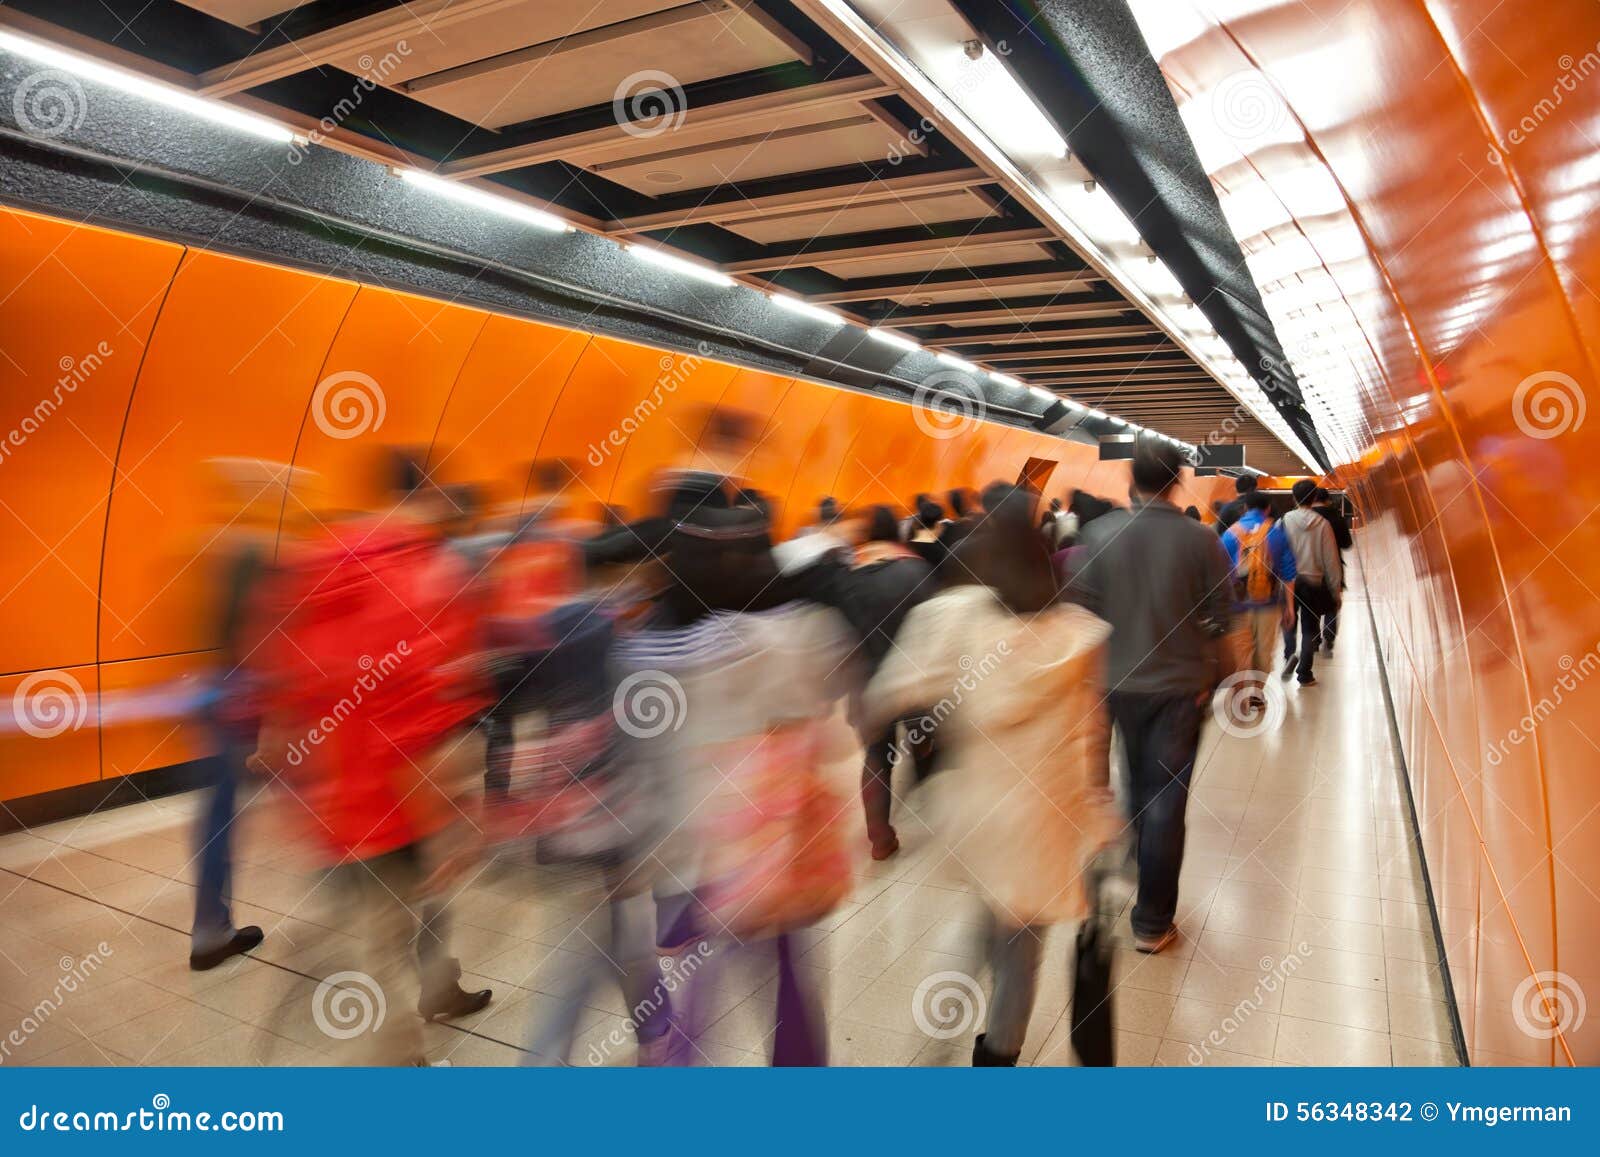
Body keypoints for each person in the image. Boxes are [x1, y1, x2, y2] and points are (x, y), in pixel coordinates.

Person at [251, 454, 493, 1064]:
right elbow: (411, 721)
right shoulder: (417, 576)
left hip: (335, 797)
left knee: (384, 925)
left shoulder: (315, 561)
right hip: (396, 803)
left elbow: (284, 684)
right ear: (429, 494)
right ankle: (401, 1059)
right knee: (390, 931)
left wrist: (294, 769)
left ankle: (434, 992)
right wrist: (446, 818)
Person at [866, 485, 1119, 1064]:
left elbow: (888, 692)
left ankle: (936, 1033)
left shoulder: (959, 622)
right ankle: (996, 1058)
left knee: (989, 920)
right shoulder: (1077, 635)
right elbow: (1093, 732)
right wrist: (1099, 813)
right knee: (1021, 951)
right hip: (1045, 817)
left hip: (981, 814)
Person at [1070, 440, 1234, 955]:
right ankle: (1152, 922)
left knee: (1134, 776)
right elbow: (1222, 617)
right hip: (1179, 687)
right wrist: (1220, 675)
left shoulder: (1098, 535)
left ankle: (1136, 859)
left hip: (1116, 684)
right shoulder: (1202, 540)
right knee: (1166, 796)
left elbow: (1079, 615)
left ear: (1131, 480)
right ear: (1177, 481)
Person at [189, 458, 283, 971]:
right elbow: (258, 636)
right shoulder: (252, 552)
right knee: (222, 814)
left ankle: (213, 924)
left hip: (211, 693)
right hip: (236, 697)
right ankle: (211, 932)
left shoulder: (210, 548)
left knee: (216, 811)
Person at [832, 505, 936, 860]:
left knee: (876, 757)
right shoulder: (915, 571)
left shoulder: (848, 578)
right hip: (913, 678)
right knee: (924, 744)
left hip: (866, 682)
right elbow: (932, 627)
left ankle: (880, 837)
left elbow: (839, 636)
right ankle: (934, 813)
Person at [1221, 491, 1298, 701]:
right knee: (1264, 650)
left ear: (1245, 508)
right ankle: (1257, 693)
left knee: (1241, 650)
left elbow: (1219, 571)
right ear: (1268, 509)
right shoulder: (1276, 533)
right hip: (1268, 603)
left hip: (1237, 605)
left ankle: (1242, 693)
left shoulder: (1230, 533)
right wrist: (1290, 607)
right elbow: (1289, 573)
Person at [1280, 479, 1343, 685]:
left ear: (1294, 498)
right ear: (1314, 497)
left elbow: (1276, 551)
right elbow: (1331, 560)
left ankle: (1289, 656)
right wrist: (1335, 589)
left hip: (1288, 580)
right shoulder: (1323, 524)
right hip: (1313, 582)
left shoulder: (1284, 521)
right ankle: (1305, 673)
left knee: (1289, 621)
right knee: (1309, 628)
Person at [1310, 487, 1352, 654]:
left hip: (1309, 566)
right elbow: (1347, 544)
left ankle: (1314, 639)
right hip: (1333, 565)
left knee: (1311, 603)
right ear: (1327, 500)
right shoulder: (1336, 517)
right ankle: (1329, 636)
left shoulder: (1306, 517)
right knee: (1332, 601)